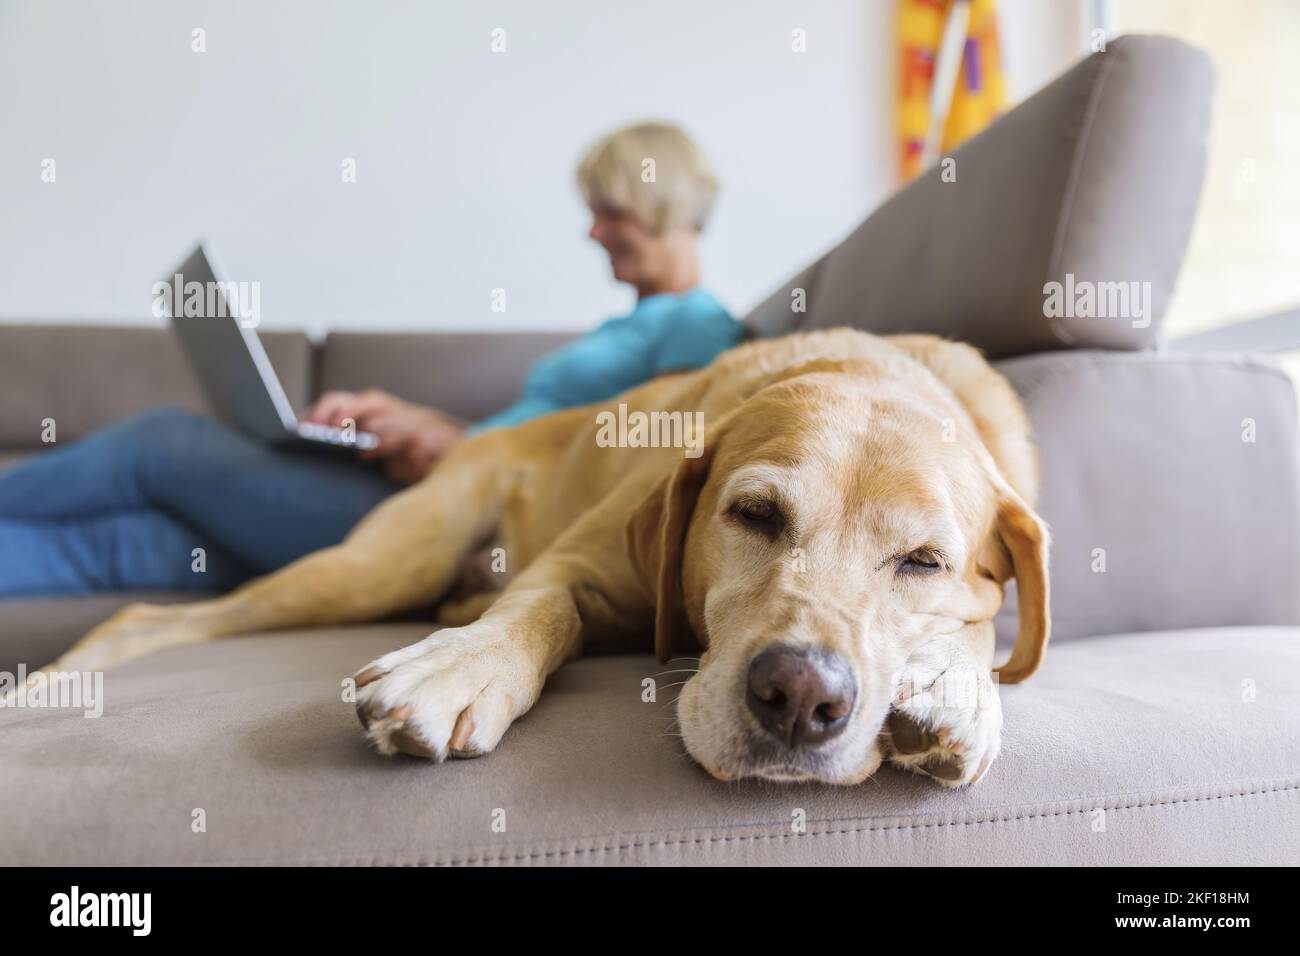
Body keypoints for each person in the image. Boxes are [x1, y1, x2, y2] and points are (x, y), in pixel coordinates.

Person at [0, 122, 742, 596]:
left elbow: (647, 454)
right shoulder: (632, 324)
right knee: (130, 546)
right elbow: (554, 433)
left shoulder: (700, 328)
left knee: (160, 443)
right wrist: (430, 426)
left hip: (455, 521)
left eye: (609, 211)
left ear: (666, 205)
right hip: (444, 486)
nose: (592, 231)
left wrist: (456, 446)